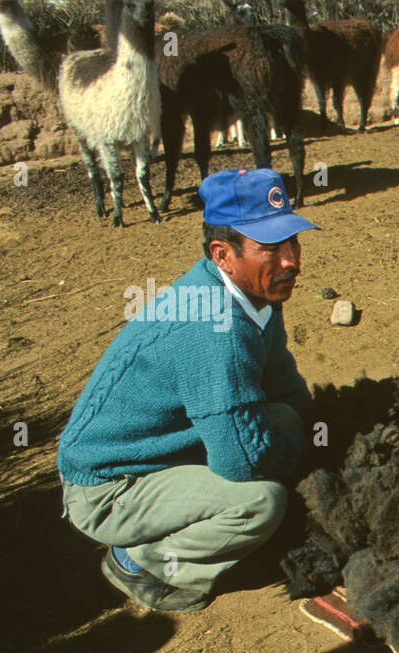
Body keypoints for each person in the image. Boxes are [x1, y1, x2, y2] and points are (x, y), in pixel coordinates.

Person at [57, 168, 319, 612]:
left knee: (289, 420)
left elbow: (284, 387)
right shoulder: (213, 329)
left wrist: (320, 443)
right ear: (222, 254)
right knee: (260, 502)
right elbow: (241, 463)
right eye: (271, 249)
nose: (291, 260)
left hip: (160, 448)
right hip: (108, 486)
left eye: (293, 241)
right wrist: (307, 485)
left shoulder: (256, 295)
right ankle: (139, 562)